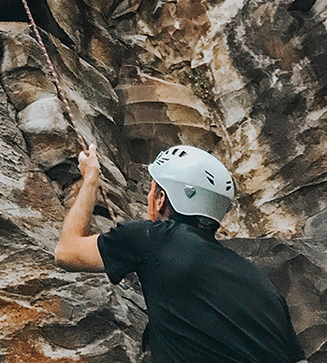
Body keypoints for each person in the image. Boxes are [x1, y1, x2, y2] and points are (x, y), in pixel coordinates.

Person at [54, 142, 306, 363]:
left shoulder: (153, 238)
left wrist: (90, 179)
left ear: (161, 199)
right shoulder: (263, 285)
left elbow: (67, 251)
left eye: (152, 190)